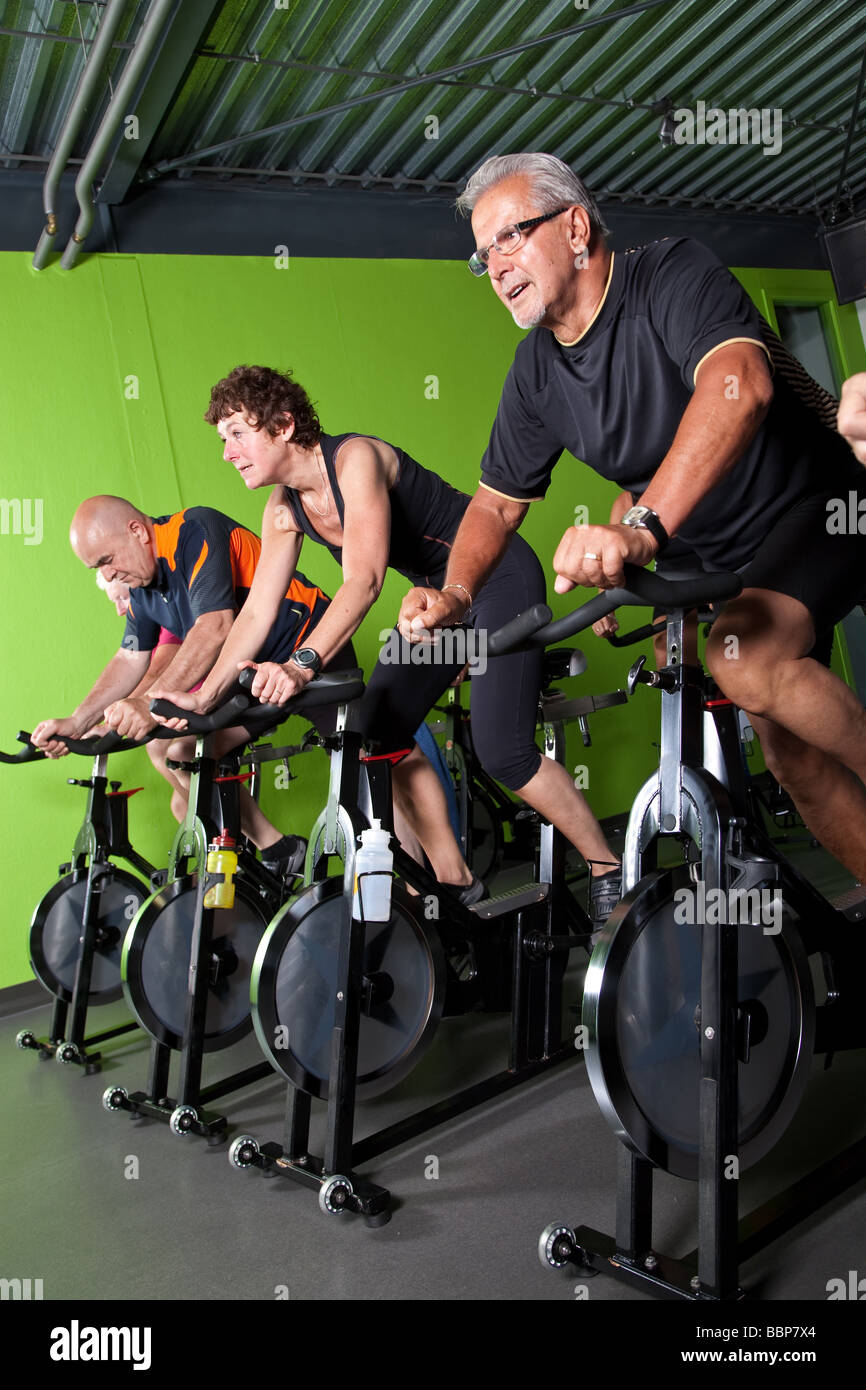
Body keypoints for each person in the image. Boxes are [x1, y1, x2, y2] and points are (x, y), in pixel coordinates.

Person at [399, 151, 866, 885]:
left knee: (747, 656)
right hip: (722, 558)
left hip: (824, 508)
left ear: (576, 226)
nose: (496, 265)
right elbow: (495, 503)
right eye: (483, 255)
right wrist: (456, 595)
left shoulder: (669, 274)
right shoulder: (536, 372)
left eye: (511, 237)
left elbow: (738, 383)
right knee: (792, 759)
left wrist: (640, 528)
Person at [153, 365, 622, 919]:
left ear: (282, 424)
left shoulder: (355, 461)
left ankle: (607, 869)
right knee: (371, 739)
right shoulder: (283, 509)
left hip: (497, 579)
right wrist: (206, 698)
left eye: (237, 432)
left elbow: (364, 581)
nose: (228, 452)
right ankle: (431, 889)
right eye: (222, 439)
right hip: (433, 605)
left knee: (505, 752)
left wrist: (302, 664)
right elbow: (255, 612)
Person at [31, 496, 340, 880]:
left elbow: (214, 628)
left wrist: (147, 704)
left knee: (379, 764)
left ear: (137, 531)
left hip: (309, 648)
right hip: (249, 675)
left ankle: (279, 851)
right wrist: (78, 722)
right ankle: (272, 853)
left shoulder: (194, 530)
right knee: (178, 752)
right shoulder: (144, 587)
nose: (108, 577)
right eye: (97, 569)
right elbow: (129, 660)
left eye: (107, 561)